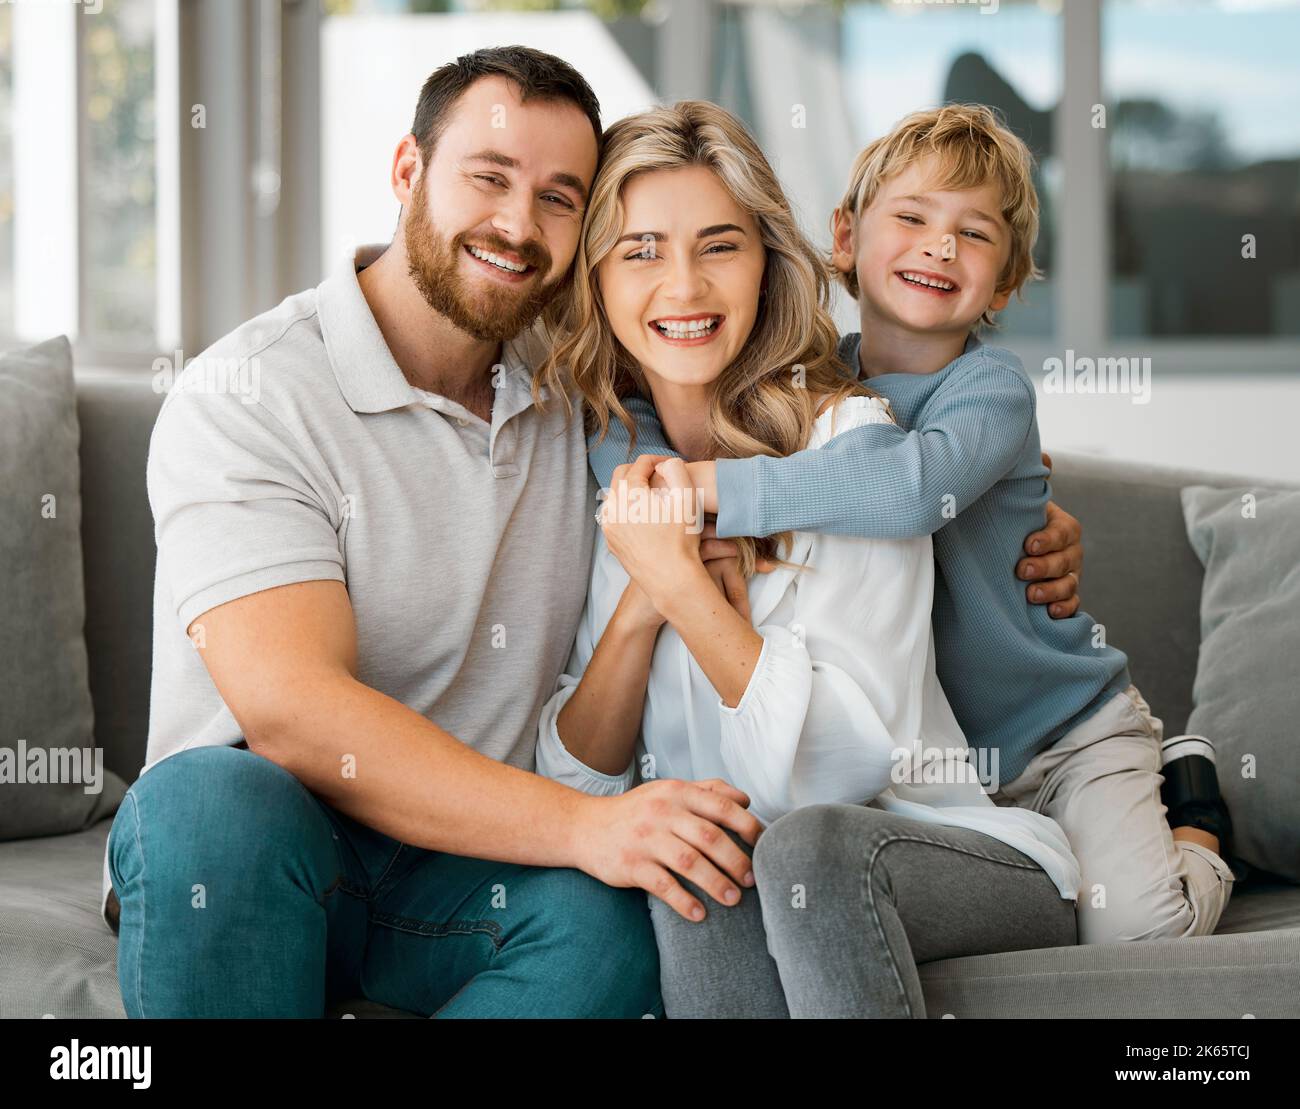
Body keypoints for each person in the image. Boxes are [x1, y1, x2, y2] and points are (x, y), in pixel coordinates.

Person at [103, 46, 766, 1020]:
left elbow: (743, 350)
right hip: (261, 846)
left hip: (464, 873)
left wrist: (991, 491)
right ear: (408, 172)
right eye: (489, 178)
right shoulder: (252, 393)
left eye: (558, 198)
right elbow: (294, 713)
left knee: (620, 917)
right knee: (211, 802)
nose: (516, 224)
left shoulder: (578, 378)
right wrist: (589, 825)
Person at [591, 104, 1236, 1016]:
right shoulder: (828, 383)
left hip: (1065, 731)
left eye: (974, 234)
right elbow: (660, 425)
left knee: (1136, 926)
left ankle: (1203, 826)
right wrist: (637, 473)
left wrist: (709, 489)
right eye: (913, 218)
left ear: (1006, 283)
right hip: (952, 764)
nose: (940, 247)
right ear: (845, 239)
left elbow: (902, 493)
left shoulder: (988, 387)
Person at [536, 100, 1083, 1020]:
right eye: (640, 251)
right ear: (594, 281)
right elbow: (578, 779)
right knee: (695, 844)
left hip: (938, 850)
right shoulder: (604, 473)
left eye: (719, 245)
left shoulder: (850, 448)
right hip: (754, 866)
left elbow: (831, 777)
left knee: (791, 845)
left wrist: (683, 589)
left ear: (768, 264)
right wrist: (640, 603)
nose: (684, 286)